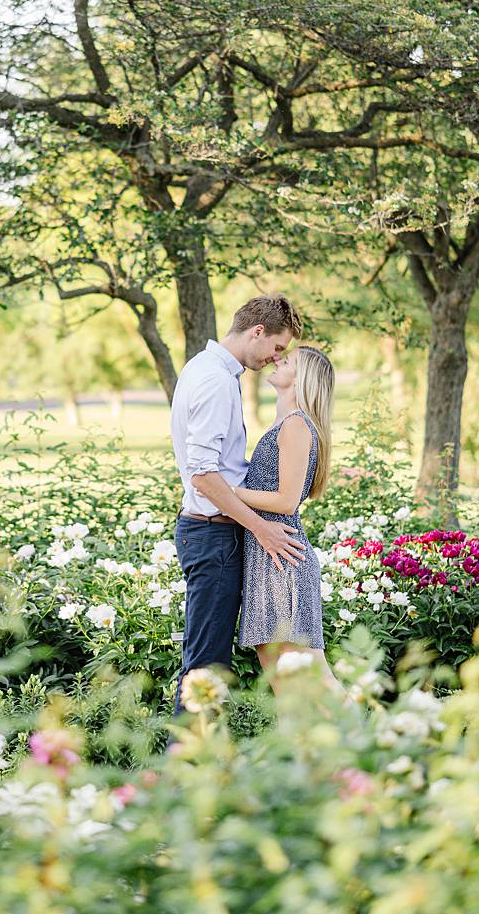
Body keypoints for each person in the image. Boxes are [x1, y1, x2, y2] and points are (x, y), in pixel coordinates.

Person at [169, 294, 306, 711]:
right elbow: (205, 476)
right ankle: (188, 767)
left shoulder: (209, 370)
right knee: (206, 667)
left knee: (207, 662)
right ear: (257, 332)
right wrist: (262, 528)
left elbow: (223, 469)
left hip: (213, 533)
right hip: (212, 536)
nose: (275, 358)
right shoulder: (214, 380)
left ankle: (197, 762)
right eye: (277, 348)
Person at [232, 344, 340, 693]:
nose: (278, 360)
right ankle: (301, 748)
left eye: (288, 360)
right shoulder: (285, 423)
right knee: (280, 677)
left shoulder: (296, 425)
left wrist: (224, 491)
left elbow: (286, 500)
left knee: (311, 675)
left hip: (284, 559)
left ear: (302, 378)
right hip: (267, 557)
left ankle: (366, 742)